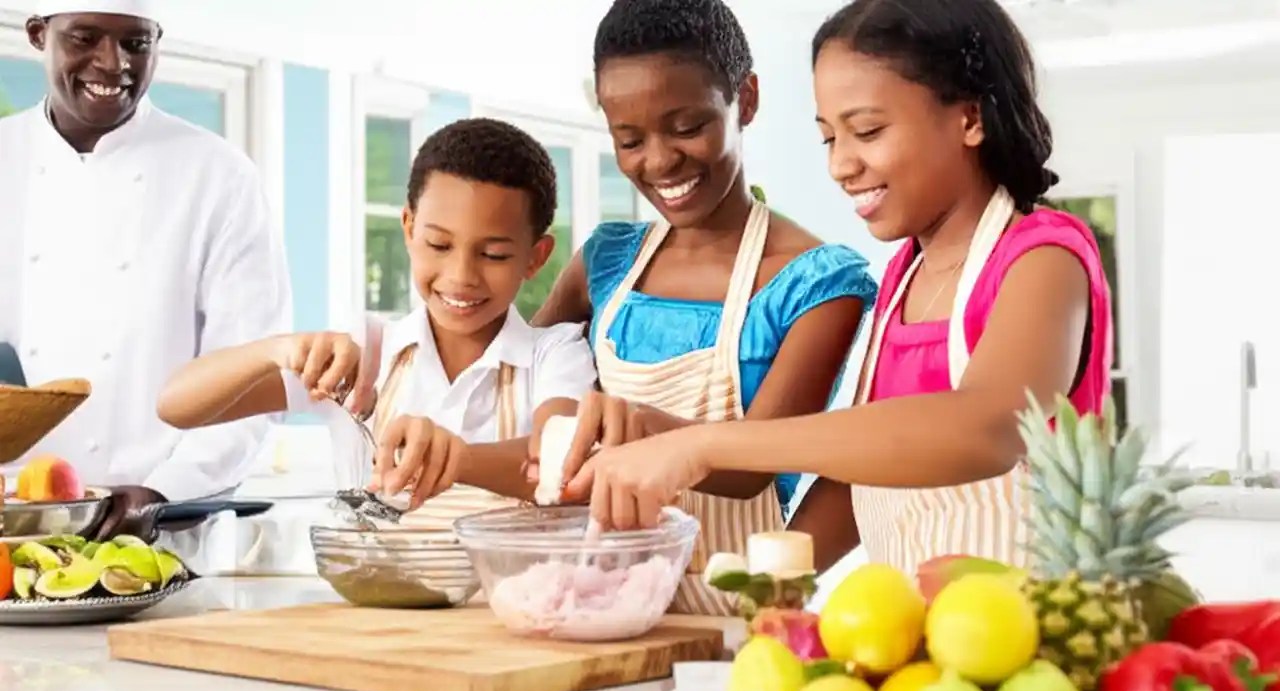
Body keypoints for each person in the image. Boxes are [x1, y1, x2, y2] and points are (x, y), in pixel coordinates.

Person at [564, 0, 1114, 579]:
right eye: (830, 138)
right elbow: (863, 469)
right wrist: (756, 589)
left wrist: (701, 446)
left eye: (867, 131)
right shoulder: (905, 275)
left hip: (1037, 640)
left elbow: (988, 428)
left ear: (970, 118)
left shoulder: (1043, 257)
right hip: (916, 642)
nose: (841, 166)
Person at [521, 0, 879, 615]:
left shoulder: (815, 283)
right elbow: (525, 379)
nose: (658, 161)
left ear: (745, 99)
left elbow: (753, 467)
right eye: (629, 140)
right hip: (599, 600)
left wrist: (637, 424)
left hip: (734, 606)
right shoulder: (604, 262)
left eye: (687, 127)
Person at [157, 118, 599, 517]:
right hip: (374, 598)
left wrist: (458, 458)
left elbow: (560, 465)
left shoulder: (555, 354)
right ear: (408, 229)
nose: (461, 276)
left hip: (507, 601)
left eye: (494, 254)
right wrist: (277, 350)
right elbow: (176, 406)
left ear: (535, 258)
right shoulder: (365, 359)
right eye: (439, 246)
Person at [0, 0, 292, 540]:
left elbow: (254, 369)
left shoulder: (219, 176)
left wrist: (166, 491)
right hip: (10, 520)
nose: (113, 64)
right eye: (85, 38)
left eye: (136, 43)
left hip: (159, 528)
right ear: (40, 35)